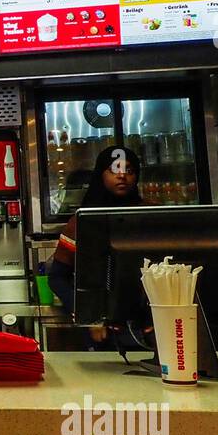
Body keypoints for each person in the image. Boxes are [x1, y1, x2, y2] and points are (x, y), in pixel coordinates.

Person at [47, 146, 143, 345]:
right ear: (101, 174)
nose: (122, 176)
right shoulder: (82, 222)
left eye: (129, 171)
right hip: (101, 334)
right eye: (114, 170)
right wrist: (88, 316)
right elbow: (57, 278)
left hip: (150, 329)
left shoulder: (151, 216)